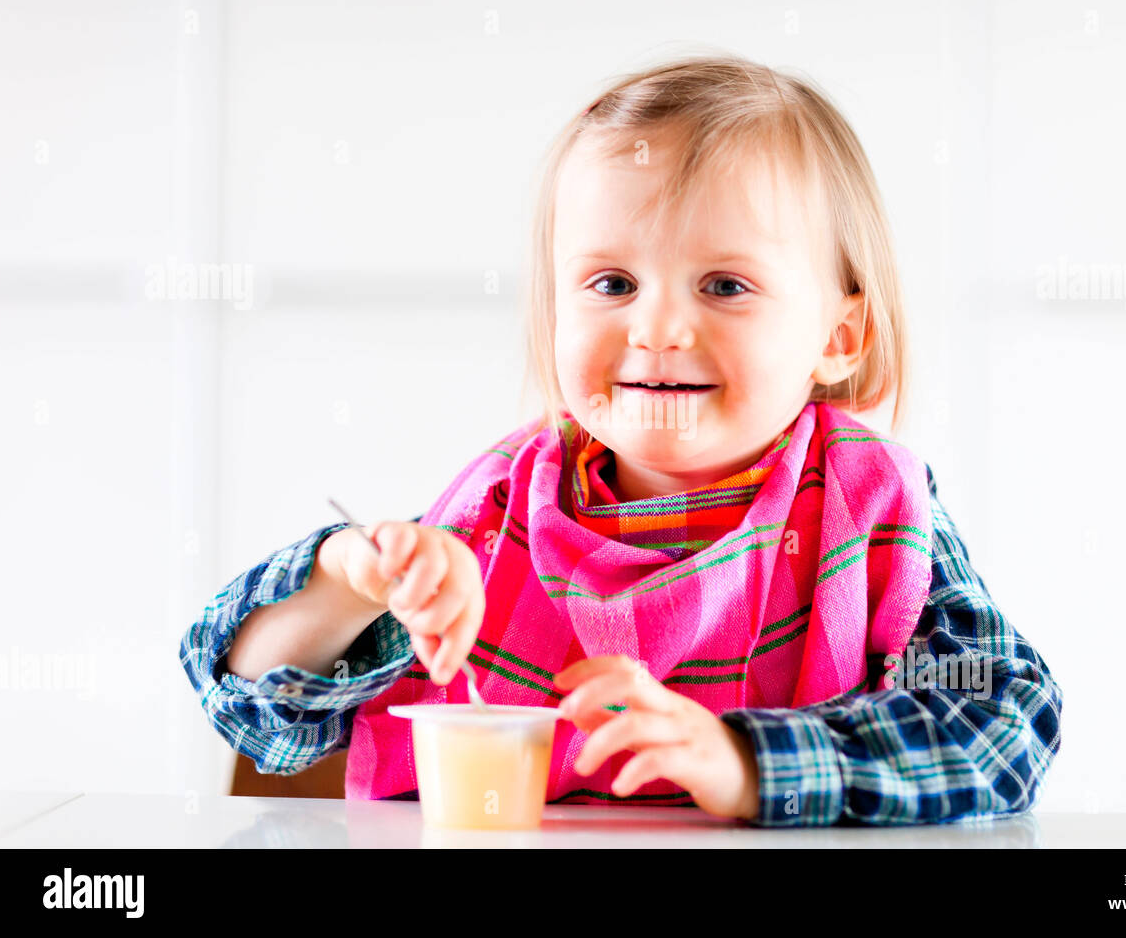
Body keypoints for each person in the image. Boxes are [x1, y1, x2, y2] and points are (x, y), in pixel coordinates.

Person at [180, 52, 1062, 827]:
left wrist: (748, 765)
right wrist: (348, 586)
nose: (658, 328)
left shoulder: (864, 511)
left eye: (723, 284)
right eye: (611, 281)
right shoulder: (494, 519)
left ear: (838, 336)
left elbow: (1005, 726)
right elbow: (255, 713)